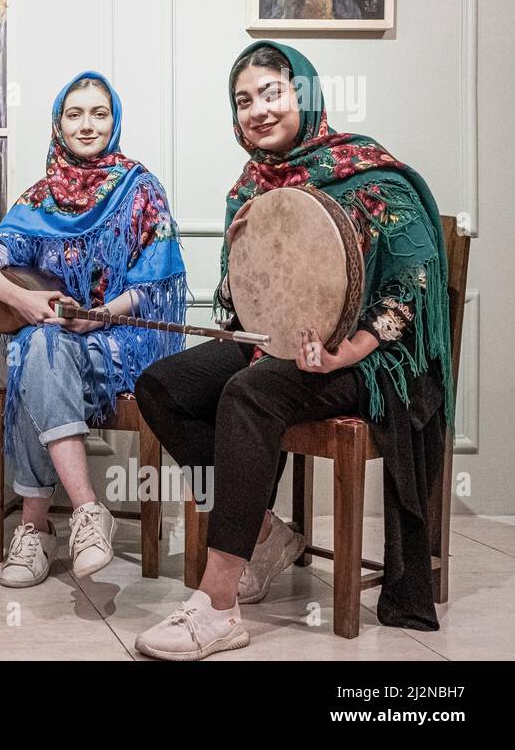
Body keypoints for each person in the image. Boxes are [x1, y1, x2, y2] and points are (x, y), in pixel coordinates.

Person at [134, 41, 453, 660]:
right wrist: (239, 255)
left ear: (302, 94)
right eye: (243, 101)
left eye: (271, 93)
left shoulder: (371, 174)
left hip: (369, 359)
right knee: (162, 386)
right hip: (278, 349)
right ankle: (262, 532)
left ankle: (217, 605)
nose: (257, 110)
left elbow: (411, 286)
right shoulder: (250, 188)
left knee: (248, 393)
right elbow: (242, 308)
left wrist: (345, 352)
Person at [0, 71, 186, 589]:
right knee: (39, 345)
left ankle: (34, 527)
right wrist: (25, 300)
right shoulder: (40, 197)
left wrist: (103, 313)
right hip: (56, 343)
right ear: (58, 124)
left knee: (27, 361)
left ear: (114, 121)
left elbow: (155, 283)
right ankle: (89, 512)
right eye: (75, 113)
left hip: (120, 340)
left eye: (99, 113)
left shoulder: (139, 187)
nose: (87, 125)